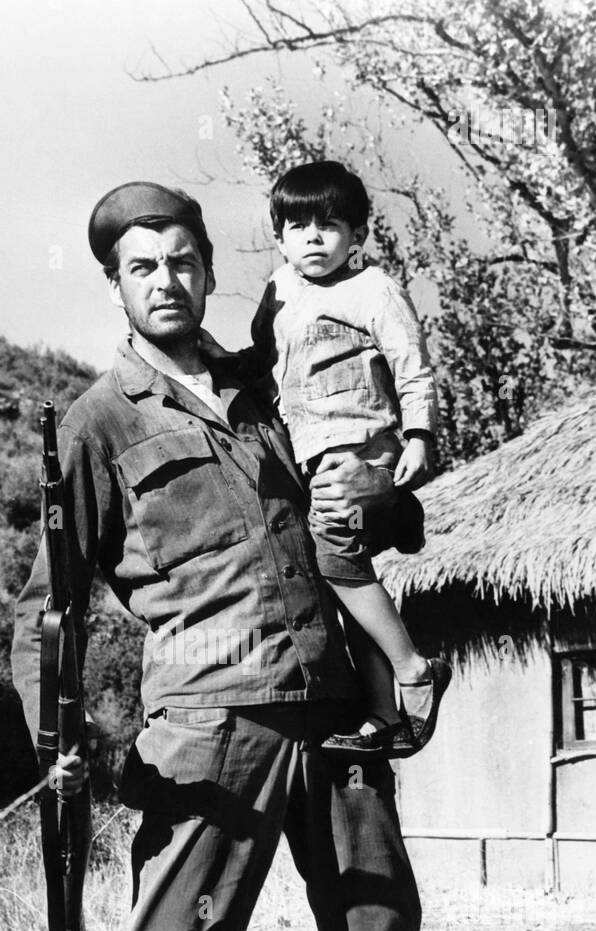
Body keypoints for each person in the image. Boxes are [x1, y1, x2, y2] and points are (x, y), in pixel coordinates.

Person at [11, 181, 467, 931]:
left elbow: (352, 522)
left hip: (334, 713)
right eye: (141, 267)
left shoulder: (273, 391)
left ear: (211, 267)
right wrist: (64, 743)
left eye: (181, 259)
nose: (166, 281)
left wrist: (386, 499)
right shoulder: (96, 423)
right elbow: (47, 614)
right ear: (116, 285)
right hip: (207, 731)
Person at [243, 160, 450, 756]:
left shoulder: (372, 289)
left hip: (360, 448)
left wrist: (419, 438)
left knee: (337, 562)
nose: (313, 237)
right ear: (279, 235)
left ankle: (415, 669)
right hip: (306, 457)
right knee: (342, 583)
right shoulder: (279, 291)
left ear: (356, 236)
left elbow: (412, 366)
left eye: (330, 225)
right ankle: (385, 715)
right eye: (298, 225)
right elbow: (261, 362)